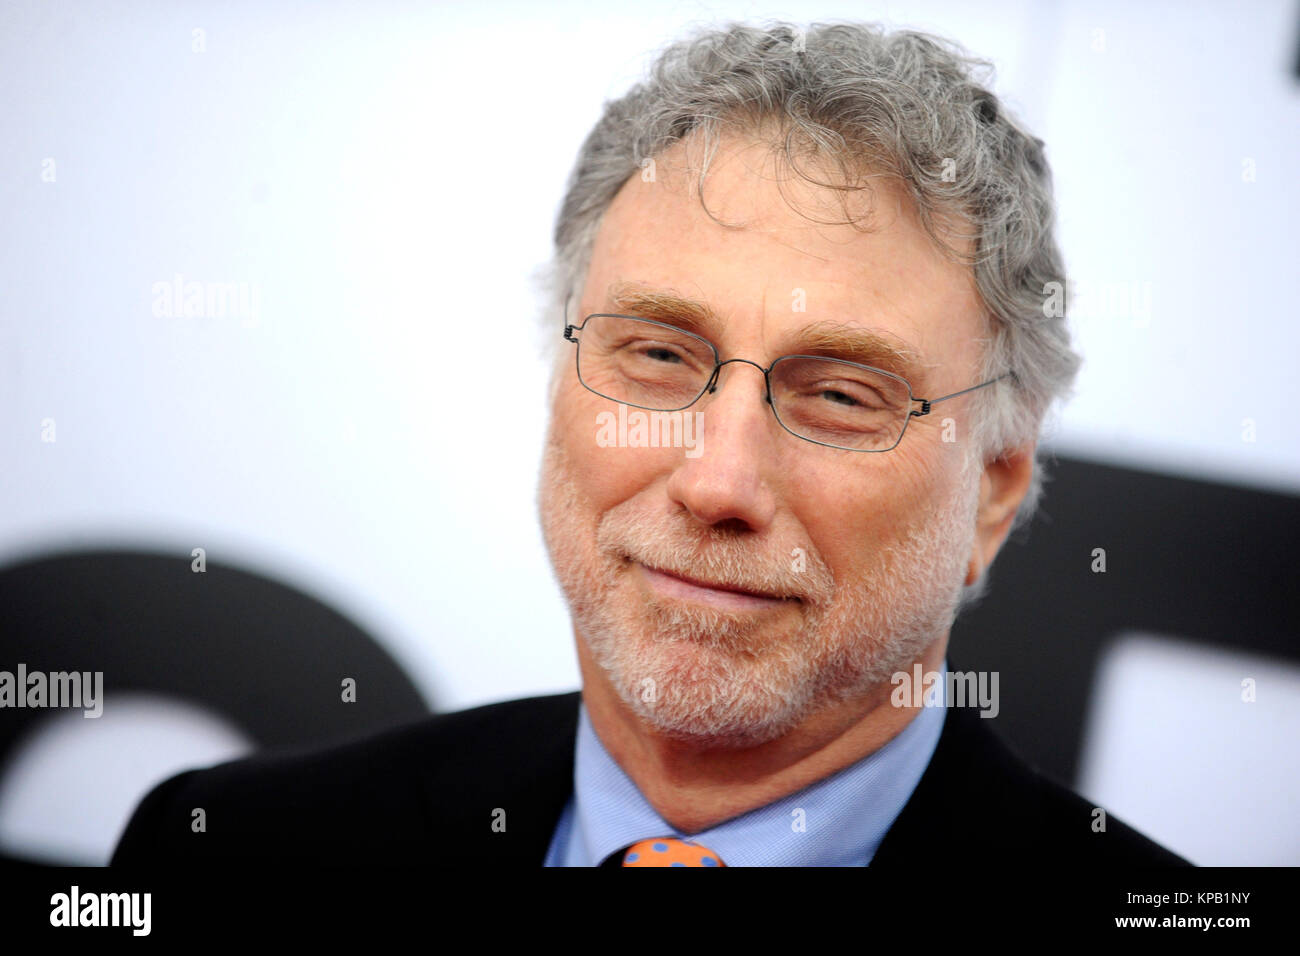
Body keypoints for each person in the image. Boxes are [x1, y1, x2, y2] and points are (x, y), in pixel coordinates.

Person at [112, 20, 1188, 867]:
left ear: (993, 489)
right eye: (661, 357)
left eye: (844, 394)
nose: (717, 479)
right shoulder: (224, 850)